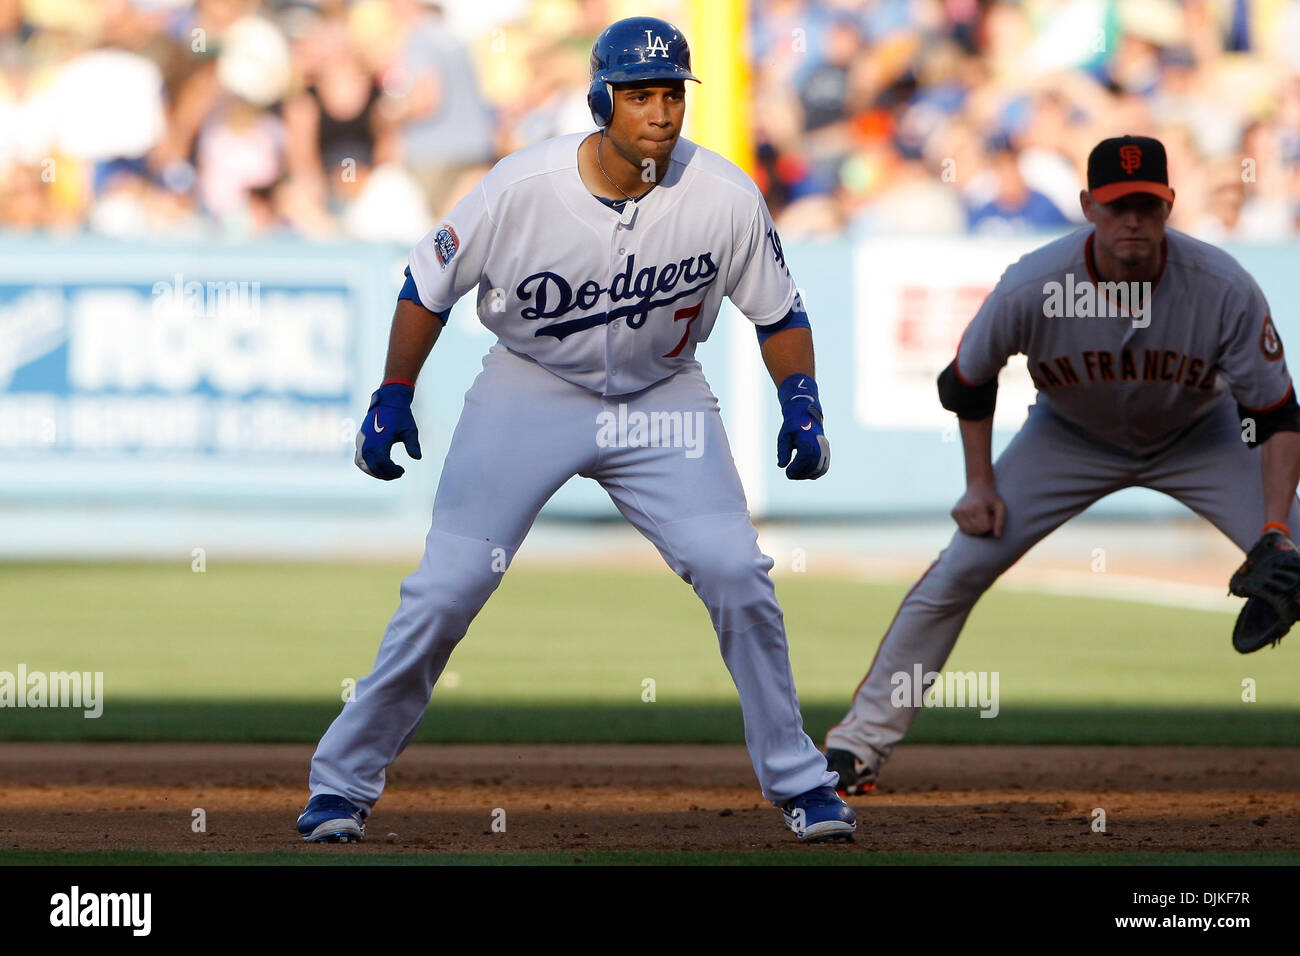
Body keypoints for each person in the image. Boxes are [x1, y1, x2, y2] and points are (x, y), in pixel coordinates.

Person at [296, 17, 855, 844]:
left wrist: (800, 399)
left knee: (737, 570)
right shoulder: (523, 185)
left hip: (663, 395)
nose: (660, 113)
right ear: (602, 101)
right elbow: (425, 283)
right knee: (448, 588)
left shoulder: (724, 194)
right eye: (639, 96)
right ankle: (341, 786)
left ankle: (802, 782)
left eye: (671, 95)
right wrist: (392, 393)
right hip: (531, 388)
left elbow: (780, 312)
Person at [825, 135, 1300, 794]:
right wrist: (979, 483)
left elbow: (1276, 412)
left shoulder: (1221, 287)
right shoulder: (1035, 282)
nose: (1132, 220)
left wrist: (1275, 528)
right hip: (1070, 437)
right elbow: (966, 380)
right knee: (958, 570)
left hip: (1200, 434)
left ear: (1168, 207)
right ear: (1087, 207)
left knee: (1297, 561)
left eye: (1146, 205)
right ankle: (856, 748)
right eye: (1116, 206)